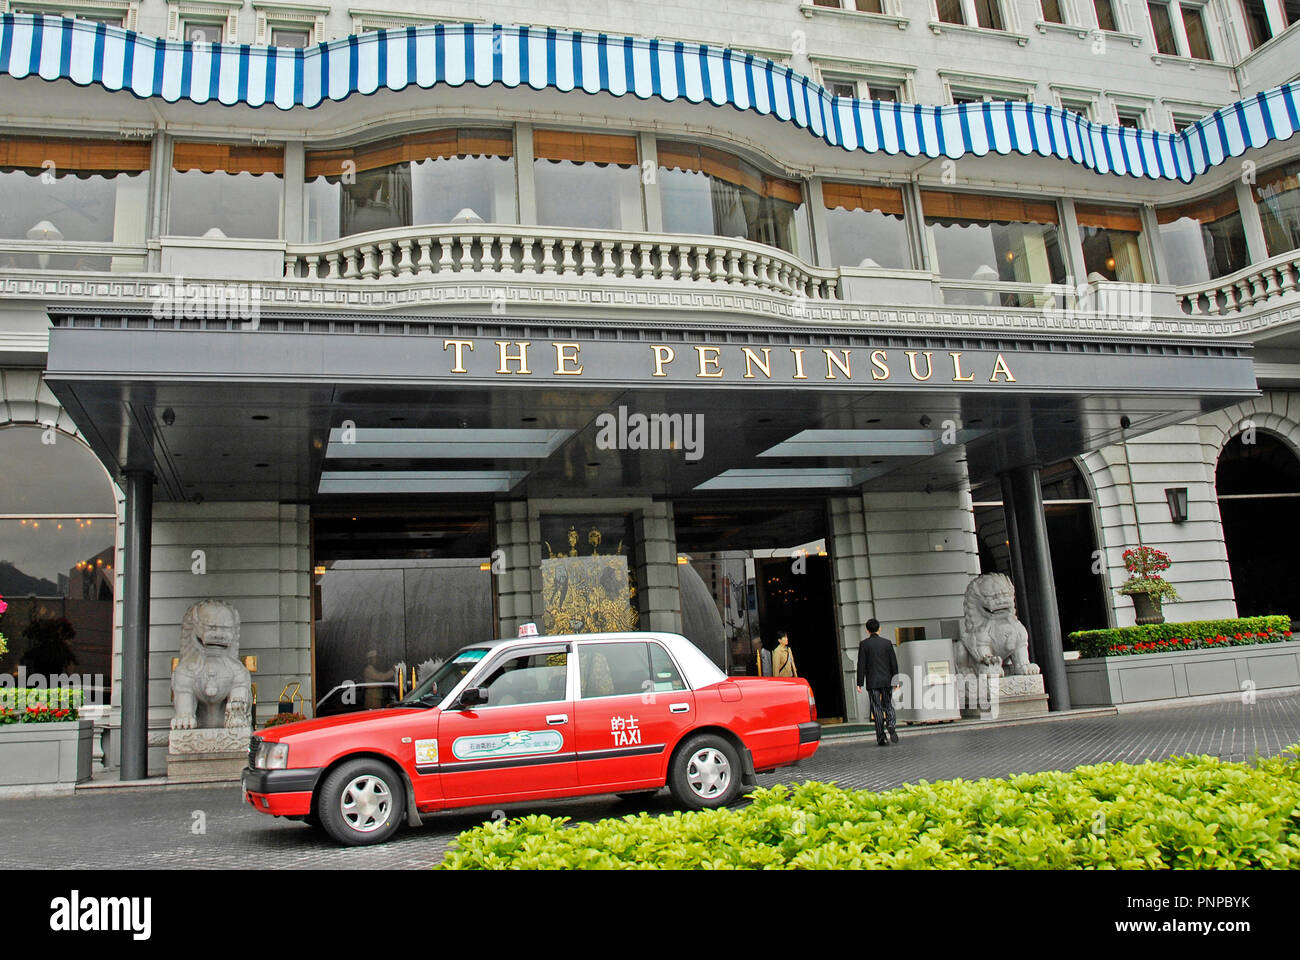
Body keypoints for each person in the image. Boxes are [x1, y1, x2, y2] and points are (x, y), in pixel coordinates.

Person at [856, 619, 900, 746]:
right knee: (888, 704)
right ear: (879, 629)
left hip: (873, 681)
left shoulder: (864, 644)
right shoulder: (887, 643)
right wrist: (896, 681)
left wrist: (859, 683)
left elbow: (861, 665)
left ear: (867, 630)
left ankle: (881, 737)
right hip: (887, 680)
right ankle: (891, 724)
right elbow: (893, 663)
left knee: (877, 708)